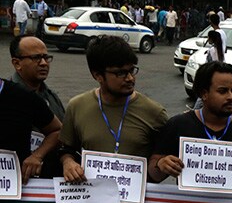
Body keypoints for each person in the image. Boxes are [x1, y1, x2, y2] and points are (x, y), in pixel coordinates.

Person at [58, 36, 168, 183]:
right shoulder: (77, 106)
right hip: (93, 199)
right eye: (120, 73)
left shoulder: (154, 113)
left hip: (137, 201)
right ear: (98, 75)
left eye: (132, 70)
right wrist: (68, 163)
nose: (130, 78)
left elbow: (163, 160)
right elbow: (67, 150)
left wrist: (161, 165)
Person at [150, 62, 232, 191]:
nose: (231, 97)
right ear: (204, 94)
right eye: (223, 91)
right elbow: (153, 174)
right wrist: (161, 164)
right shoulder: (177, 125)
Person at [9, 35, 66, 177]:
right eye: (36, 58)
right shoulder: (6, 96)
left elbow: (64, 136)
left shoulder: (52, 98)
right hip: (12, 179)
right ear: (17, 63)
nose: (44, 63)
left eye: (46, 57)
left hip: (48, 180)